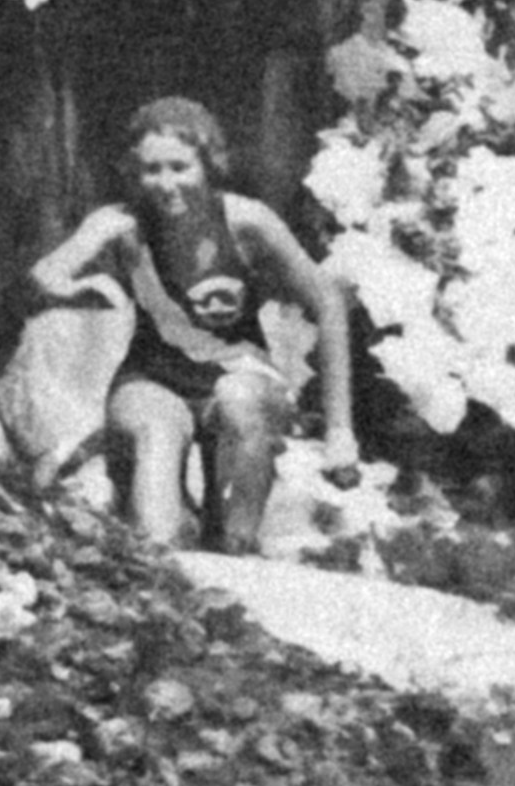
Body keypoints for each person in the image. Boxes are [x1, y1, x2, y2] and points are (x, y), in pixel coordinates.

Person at [22, 98, 357, 537]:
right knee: (158, 524)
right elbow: (44, 274)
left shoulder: (247, 221)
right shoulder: (119, 223)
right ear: (133, 172)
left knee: (240, 410)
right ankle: (167, 535)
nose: (165, 184)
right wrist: (81, 285)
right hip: (154, 380)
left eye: (180, 167)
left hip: (239, 376)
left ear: (210, 164)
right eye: (151, 170)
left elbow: (328, 301)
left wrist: (339, 430)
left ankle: (238, 539)